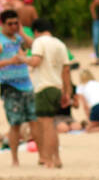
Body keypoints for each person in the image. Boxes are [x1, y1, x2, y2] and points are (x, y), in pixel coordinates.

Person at [0, 9, 36, 167]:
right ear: (2, 24)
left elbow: (34, 46)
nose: (13, 26)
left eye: (16, 23)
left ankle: (42, 156)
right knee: (15, 123)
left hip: (27, 83)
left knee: (34, 121)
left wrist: (22, 32)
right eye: (10, 24)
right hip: (10, 85)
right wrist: (10, 61)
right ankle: (15, 159)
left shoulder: (20, 37)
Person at [27, 18, 72, 166]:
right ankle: (57, 158)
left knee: (46, 126)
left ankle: (49, 160)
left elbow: (35, 61)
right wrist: (67, 92)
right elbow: (66, 70)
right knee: (51, 124)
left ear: (36, 31)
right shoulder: (60, 44)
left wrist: (21, 59)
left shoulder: (39, 42)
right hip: (57, 87)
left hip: (44, 87)